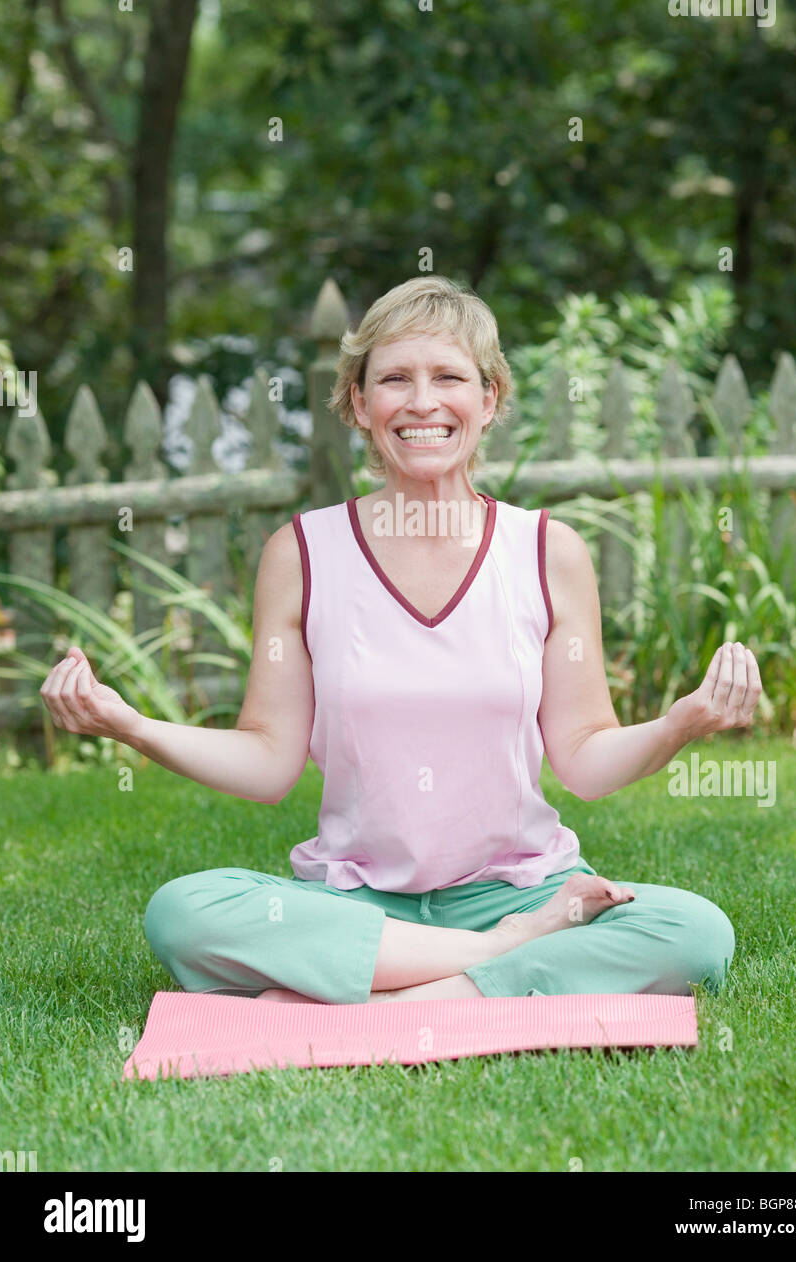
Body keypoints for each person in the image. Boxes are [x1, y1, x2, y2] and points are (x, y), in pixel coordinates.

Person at [40, 275, 759, 1005]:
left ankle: (396, 997)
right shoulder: (303, 554)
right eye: (393, 379)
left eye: (448, 377)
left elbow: (586, 763)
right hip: (362, 905)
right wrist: (127, 725)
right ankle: (497, 962)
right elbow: (267, 762)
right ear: (359, 402)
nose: (422, 403)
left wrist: (684, 721)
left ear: (491, 398)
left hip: (517, 889)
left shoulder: (547, 552)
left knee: (695, 932)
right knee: (183, 912)